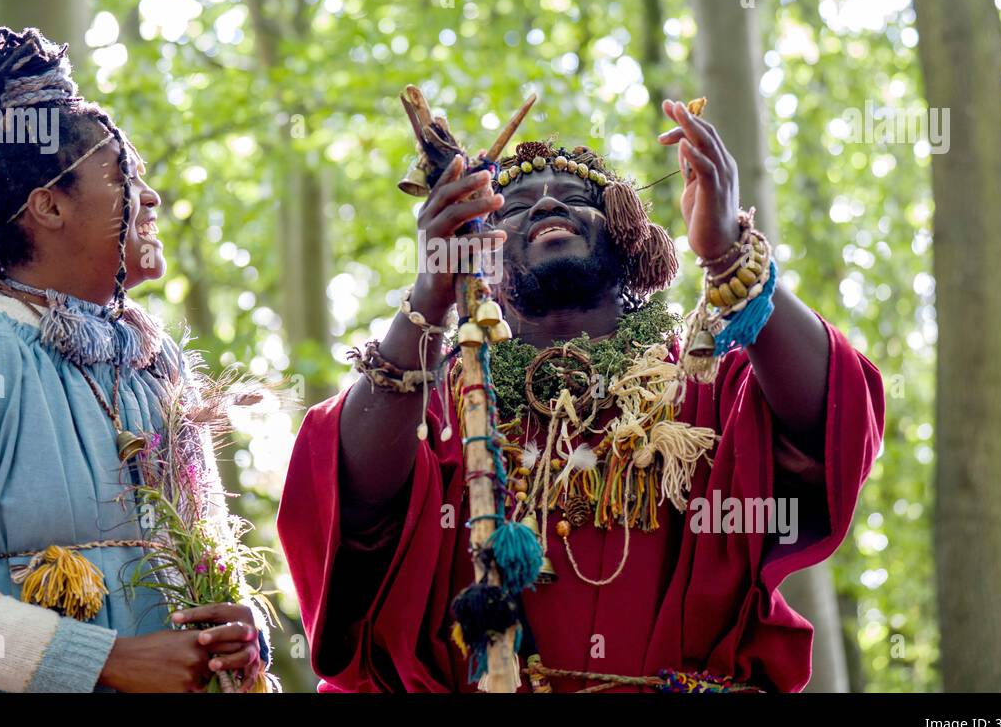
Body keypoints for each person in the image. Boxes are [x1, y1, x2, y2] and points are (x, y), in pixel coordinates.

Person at [278, 95, 886, 692]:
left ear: (625, 239)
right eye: (513, 208)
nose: (546, 201)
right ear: (481, 260)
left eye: (575, 199)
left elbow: (837, 417)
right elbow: (346, 502)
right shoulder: (445, 401)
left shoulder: (702, 386)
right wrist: (431, 293)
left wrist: (730, 252)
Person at [0, 27, 271, 692]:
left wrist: (243, 630)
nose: (151, 199)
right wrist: (110, 661)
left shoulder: (160, 365)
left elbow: (209, 553)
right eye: (126, 177)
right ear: (49, 206)